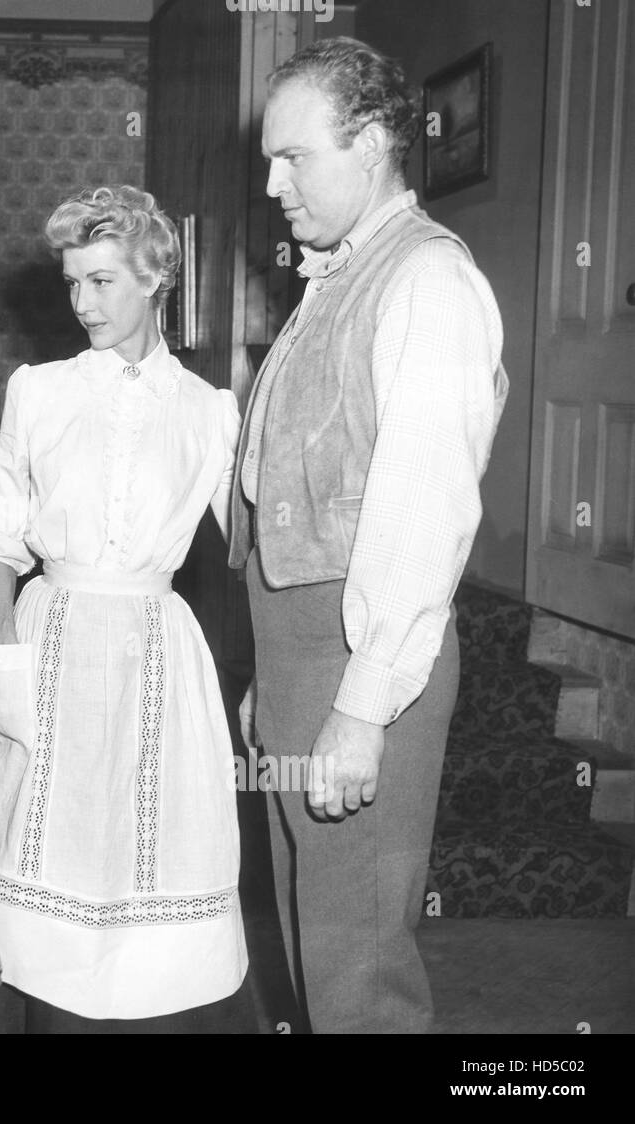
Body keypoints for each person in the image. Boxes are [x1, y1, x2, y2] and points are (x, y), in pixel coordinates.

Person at [232, 37, 509, 1032]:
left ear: (375, 142)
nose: (271, 182)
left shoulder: (425, 281)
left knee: (360, 976)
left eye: (292, 157)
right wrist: (282, 668)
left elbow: (423, 510)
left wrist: (357, 702)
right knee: (318, 948)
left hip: (366, 663)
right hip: (313, 650)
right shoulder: (337, 279)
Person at [0, 184, 249, 1032]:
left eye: (103, 282)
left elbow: (251, 555)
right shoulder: (38, 392)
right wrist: (6, 658)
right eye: (73, 282)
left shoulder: (211, 412)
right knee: (42, 858)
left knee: (146, 860)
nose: (83, 303)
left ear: (157, 275)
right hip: (50, 643)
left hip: (160, 650)